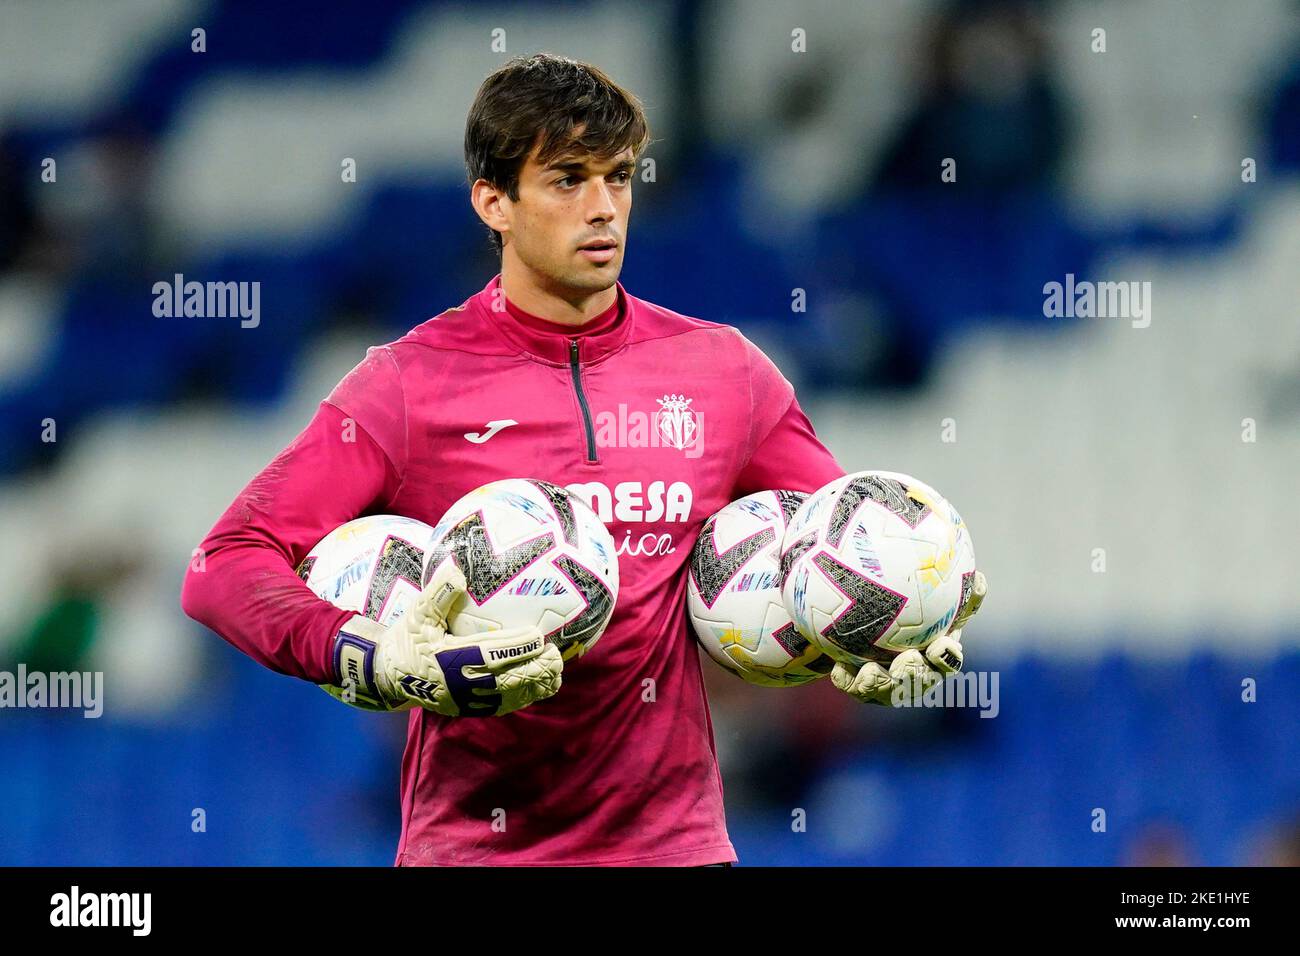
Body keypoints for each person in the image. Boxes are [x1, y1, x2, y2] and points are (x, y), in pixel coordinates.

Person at [181, 53, 978, 866]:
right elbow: (223, 567)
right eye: (567, 180)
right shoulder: (408, 386)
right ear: (494, 201)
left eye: (620, 178)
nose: (604, 209)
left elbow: (842, 548)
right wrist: (368, 653)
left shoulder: (727, 375)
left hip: (677, 852)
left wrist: (889, 639)